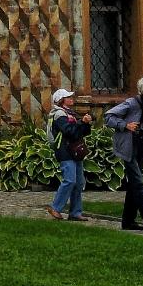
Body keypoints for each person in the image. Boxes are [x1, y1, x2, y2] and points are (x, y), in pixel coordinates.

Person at [108, 74, 143, 231]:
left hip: (140, 147)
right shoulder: (131, 103)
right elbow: (109, 116)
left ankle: (128, 221)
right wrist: (125, 125)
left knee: (133, 185)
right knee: (138, 183)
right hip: (128, 148)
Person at [48, 86, 91, 220]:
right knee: (70, 180)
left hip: (75, 150)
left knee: (78, 182)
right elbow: (69, 131)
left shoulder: (70, 113)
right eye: (68, 97)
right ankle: (55, 207)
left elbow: (81, 132)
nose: (71, 99)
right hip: (65, 151)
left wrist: (85, 124)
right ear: (61, 100)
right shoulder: (59, 115)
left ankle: (75, 212)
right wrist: (81, 123)